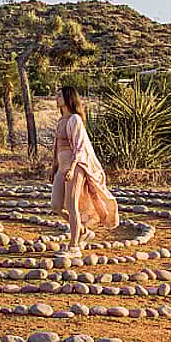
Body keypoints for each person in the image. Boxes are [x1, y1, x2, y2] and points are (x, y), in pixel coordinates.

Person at [48, 86, 119, 253]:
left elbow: (79, 147)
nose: (57, 98)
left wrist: (72, 168)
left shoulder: (75, 119)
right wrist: (54, 167)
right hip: (62, 167)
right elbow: (57, 148)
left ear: (68, 98)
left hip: (76, 166)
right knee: (56, 206)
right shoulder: (60, 121)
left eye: (60, 95)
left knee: (71, 206)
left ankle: (74, 247)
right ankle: (84, 231)